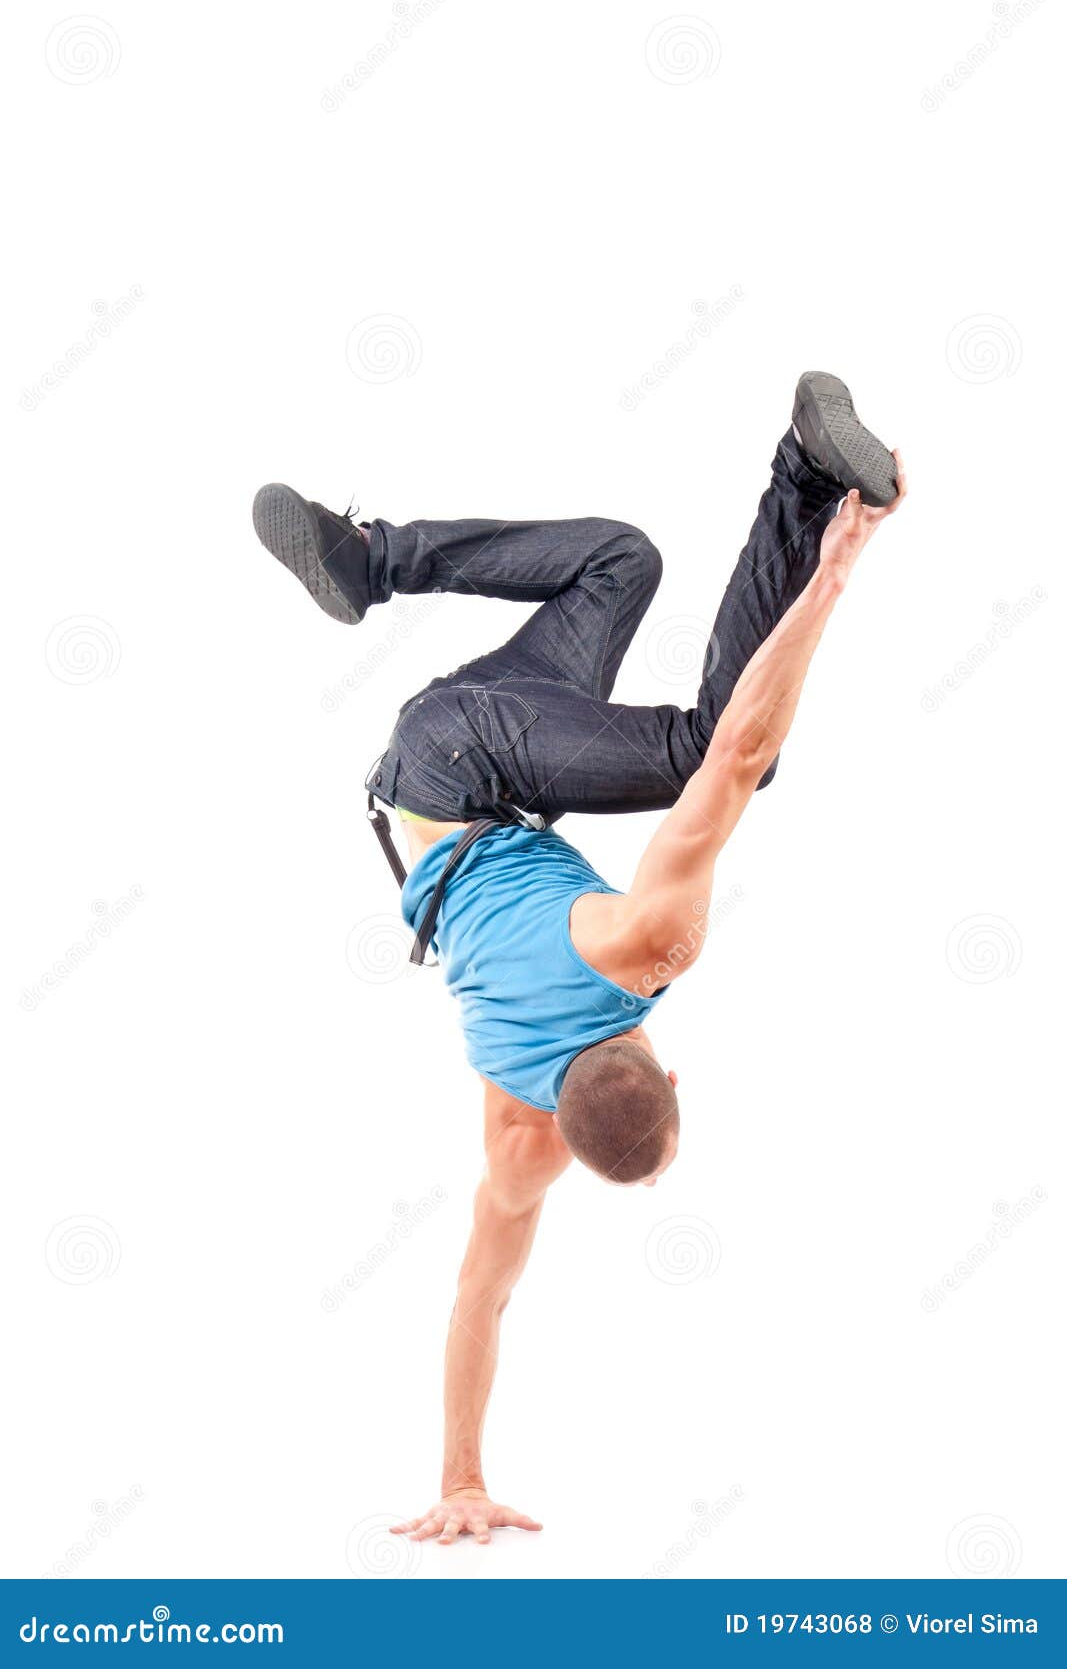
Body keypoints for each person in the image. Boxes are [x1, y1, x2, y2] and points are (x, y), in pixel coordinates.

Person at [252, 371, 907, 1546]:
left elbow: (735, 752)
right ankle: (366, 561)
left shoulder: (642, 952)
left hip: (468, 766)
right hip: (444, 776)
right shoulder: (515, 1134)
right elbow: (477, 1298)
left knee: (726, 753)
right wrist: (457, 1478)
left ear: (665, 1065)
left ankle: (802, 472)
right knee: (619, 560)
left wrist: (832, 573)